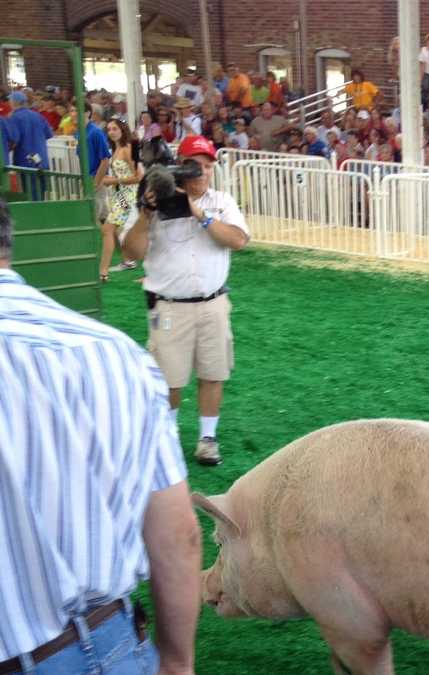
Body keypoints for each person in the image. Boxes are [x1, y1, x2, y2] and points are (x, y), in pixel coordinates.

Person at [0, 197, 202, 675]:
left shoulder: (208, 202)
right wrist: (142, 212)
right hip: (162, 296)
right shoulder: (125, 183)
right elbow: (126, 237)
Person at [119, 135, 250, 466]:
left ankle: (208, 438)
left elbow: (237, 240)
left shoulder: (222, 201)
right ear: (180, 169)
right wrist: (148, 214)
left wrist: (200, 214)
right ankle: (167, 437)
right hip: (167, 307)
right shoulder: (154, 203)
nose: (202, 173)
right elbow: (130, 251)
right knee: (168, 378)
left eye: (207, 166)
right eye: (195, 166)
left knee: (213, 372)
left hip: (214, 303)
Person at [99, 118, 142, 281]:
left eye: (114, 129)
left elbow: (139, 177)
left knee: (108, 229)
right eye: (109, 129)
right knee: (113, 230)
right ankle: (127, 261)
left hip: (128, 196)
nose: (111, 132)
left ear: (122, 130)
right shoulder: (116, 150)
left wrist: (114, 181)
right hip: (120, 195)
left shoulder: (127, 149)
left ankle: (103, 272)